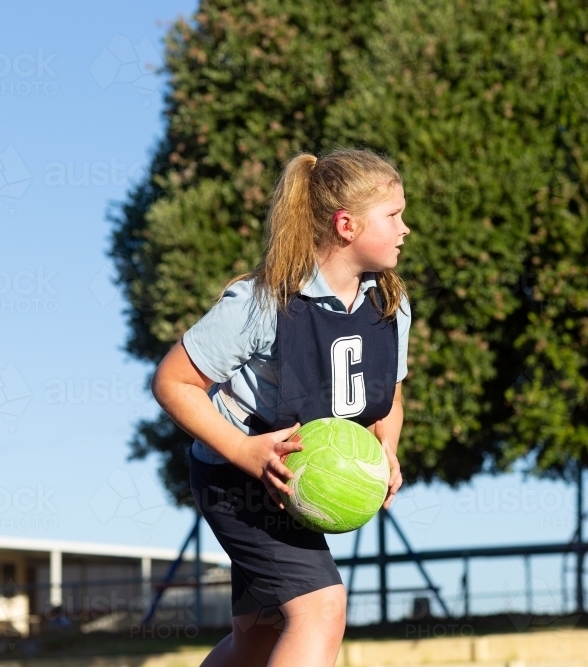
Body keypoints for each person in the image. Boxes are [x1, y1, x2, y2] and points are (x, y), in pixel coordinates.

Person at [151, 148, 411, 667]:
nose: (406, 228)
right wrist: (245, 451)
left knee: (257, 641)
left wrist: (387, 446)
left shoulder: (390, 304)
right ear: (347, 225)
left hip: (293, 482)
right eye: (394, 216)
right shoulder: (263, 303)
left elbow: (390, 393)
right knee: (320, 608)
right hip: (237, 480)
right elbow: (173, 381)